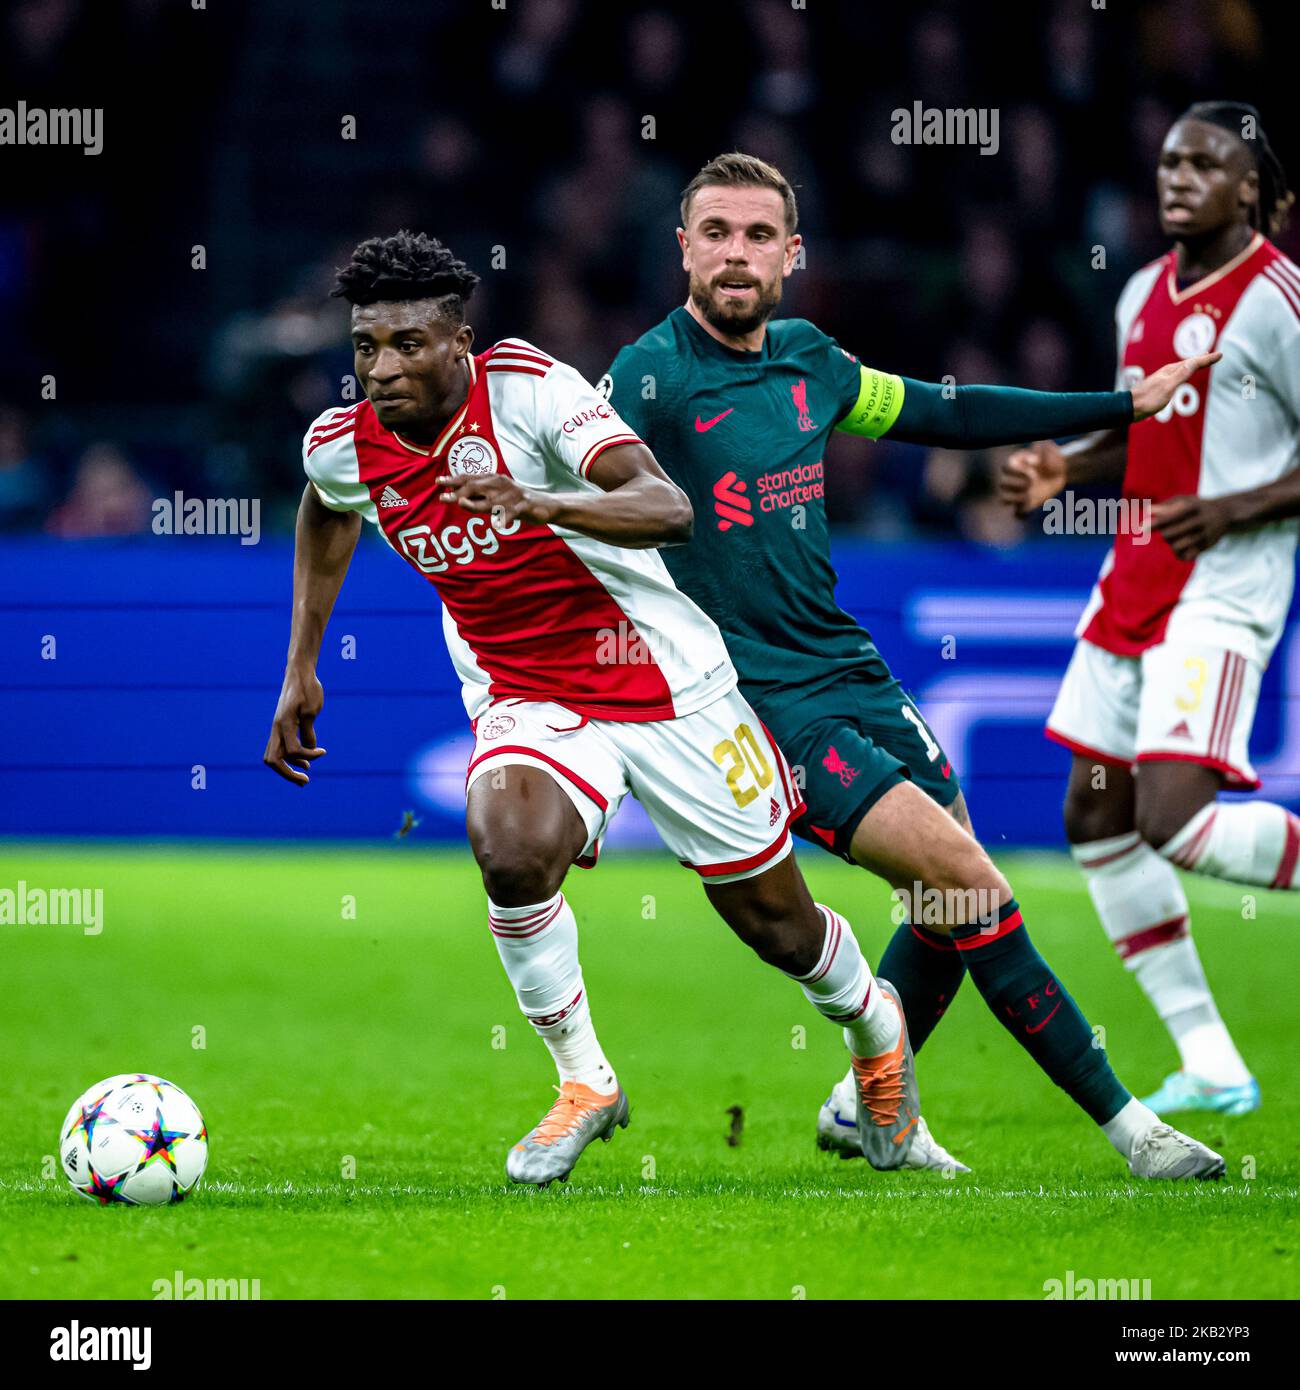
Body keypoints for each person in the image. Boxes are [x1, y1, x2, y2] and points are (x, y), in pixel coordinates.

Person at [263, 230, 946, 1187]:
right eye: (367, 347)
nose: (383, 368)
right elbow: (327, 506)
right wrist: (303, 664)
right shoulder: (345, 443)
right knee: (507, 844)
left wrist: (539, 500)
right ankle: (585, 1083)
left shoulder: (535, 392)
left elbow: (666, 508)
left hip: (666, 685)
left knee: (775, 924)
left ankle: (877, 1028)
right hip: (527, 692)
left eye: (409, 345)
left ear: (460, 343)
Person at [601, 152, 1224, 1179]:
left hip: (848, 666)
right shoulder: (648, 375)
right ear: (682, 248)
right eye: (714, 232)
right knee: (965, 876)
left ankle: (859, 1100)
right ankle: (1133, 1131)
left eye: (759, 235)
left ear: (793, 255)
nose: (735, 254)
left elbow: (951, 410)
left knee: (947, 891)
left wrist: (1119, 406)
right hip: (757, 702)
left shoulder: (812, 363)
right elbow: (577, 483)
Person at [1000, 102, 1299, 1116]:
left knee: (1173, 816)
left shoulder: (1276, 301)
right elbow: (1143, 428)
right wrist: (1065, 466)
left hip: (1225, 583)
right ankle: (1211, 1060)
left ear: (1250, 188)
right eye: (1169, 160)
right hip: (1134, 572)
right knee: (1092, 811)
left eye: (1204, 164)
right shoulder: (1139, 293)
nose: (1177, 177)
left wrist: (1231, 506)